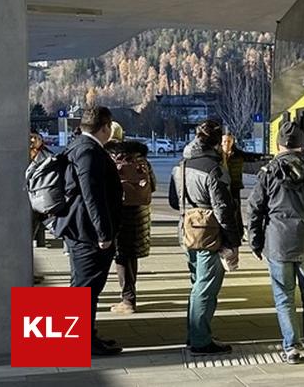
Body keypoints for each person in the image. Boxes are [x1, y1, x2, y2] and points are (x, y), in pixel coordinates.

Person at [249, 119, 304, 364]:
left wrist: (255, 242)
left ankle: (292, 348)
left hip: (278, 245)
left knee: (284, 297)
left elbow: (255, 210)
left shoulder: (268, 173)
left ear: (279, 145)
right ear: (302, 145)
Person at [51, 106, 123, 357]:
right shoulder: (88, 151)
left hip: (81, 229)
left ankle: (83, 337)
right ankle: (80, 342)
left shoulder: (79, 146)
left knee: (83, 287)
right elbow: (92, 195)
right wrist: (104, 234)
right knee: (85, 289)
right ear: (105, 127)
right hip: (86, 232)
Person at [170, 119, 242, 355]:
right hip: (209, 235)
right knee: (206, 287)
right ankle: (200, 340)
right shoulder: (214, 169)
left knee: (197, 284)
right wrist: (233, 241)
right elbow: (223, 209)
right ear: (216, 143)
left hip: (187, 231)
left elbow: (173, 201)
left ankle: (194, 335)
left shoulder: (181, 165)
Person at [105, 123, 154, 315]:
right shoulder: (139, 156)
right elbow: (152, 184)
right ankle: (130, 296)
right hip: (139, 213)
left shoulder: (108, 157)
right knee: (130, 256)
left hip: (117, 212)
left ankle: (127, 300)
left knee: (121, 257)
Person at [29, 131, 52, 249]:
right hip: (28, 192)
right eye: (31, 138)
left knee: (36, 219)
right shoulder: (25, 153)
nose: (32, 140)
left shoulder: (46, 155)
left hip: (38, 193)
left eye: (35, 138)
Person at [220, 133, 246, 229]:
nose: (227, 143)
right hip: (222, 186)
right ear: (221, 142)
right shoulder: (218, 155)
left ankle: (239, 229)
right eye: (225, 141)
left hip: (234, 185)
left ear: (232, 142)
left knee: (236, 208)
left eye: (229, 141)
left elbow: (251, 157)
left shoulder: (238, 154)